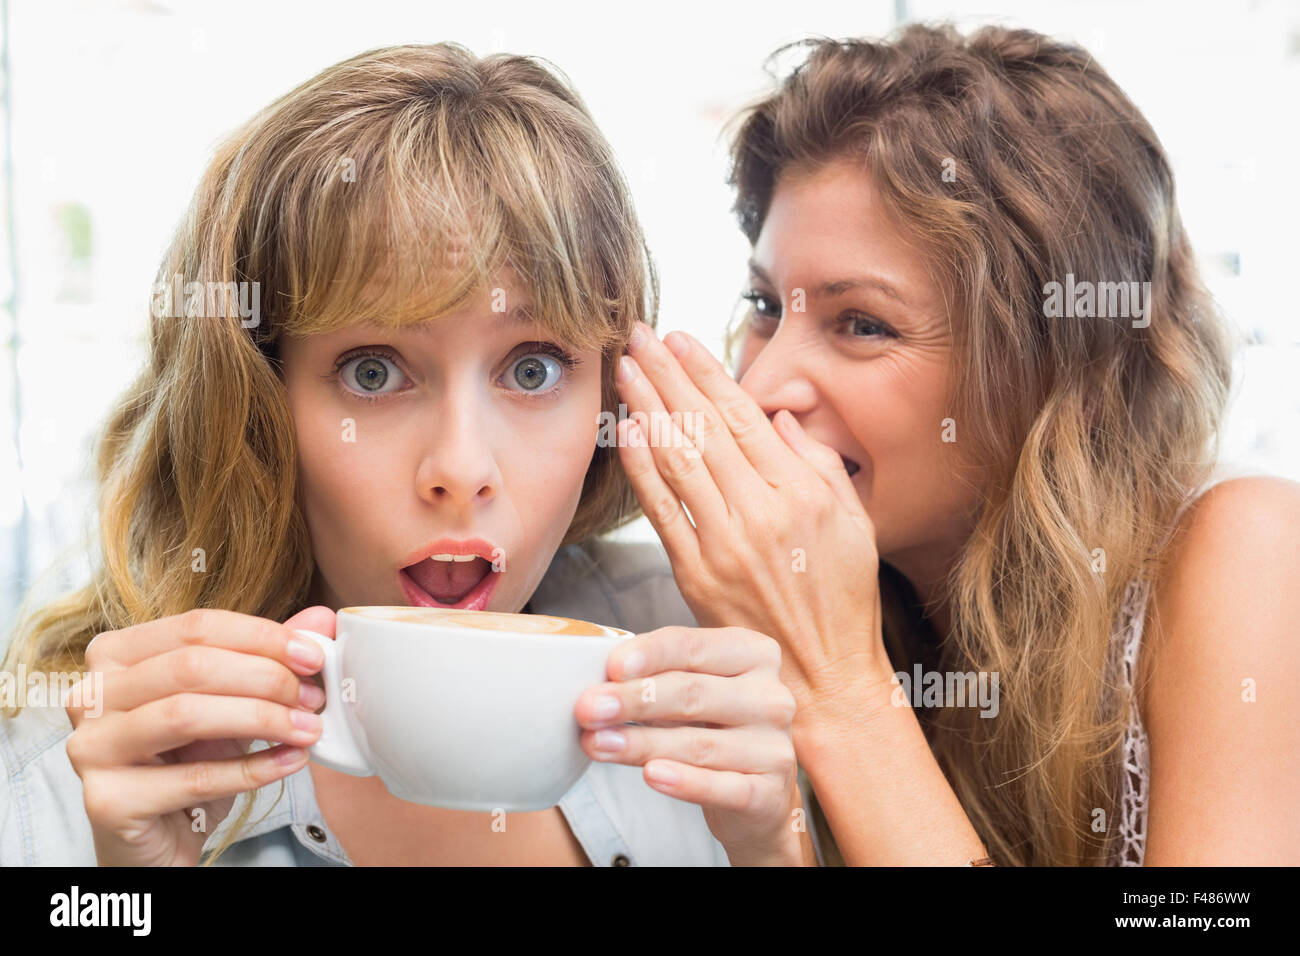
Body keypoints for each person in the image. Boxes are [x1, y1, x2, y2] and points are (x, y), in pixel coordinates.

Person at [0, 44, 808, 867]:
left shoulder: (706, 668)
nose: (460, 468)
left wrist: (776, 851)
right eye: (373, 372)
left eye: (533, 369)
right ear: (258, 406)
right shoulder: (65, 790)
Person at [611, 23, 1300, 865]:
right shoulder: (842, 610)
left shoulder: (1250, 550)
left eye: (862, 324)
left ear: (1065, 377)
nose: (759, 388)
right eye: (765, 306)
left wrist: (844, 695)